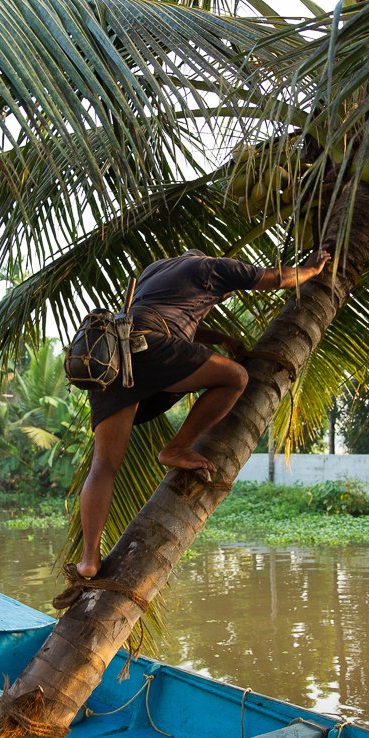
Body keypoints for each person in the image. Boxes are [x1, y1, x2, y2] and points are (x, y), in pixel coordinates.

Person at [76, 248, 331, 578]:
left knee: (103, 465)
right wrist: (311, 271)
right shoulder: (213, 268)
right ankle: (176, 448)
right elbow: (276, 278)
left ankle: (88, 560)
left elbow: (172, 320)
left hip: (113, 356)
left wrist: (221, 339)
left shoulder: (156, 271)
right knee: (235, 378)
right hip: (151, 350)